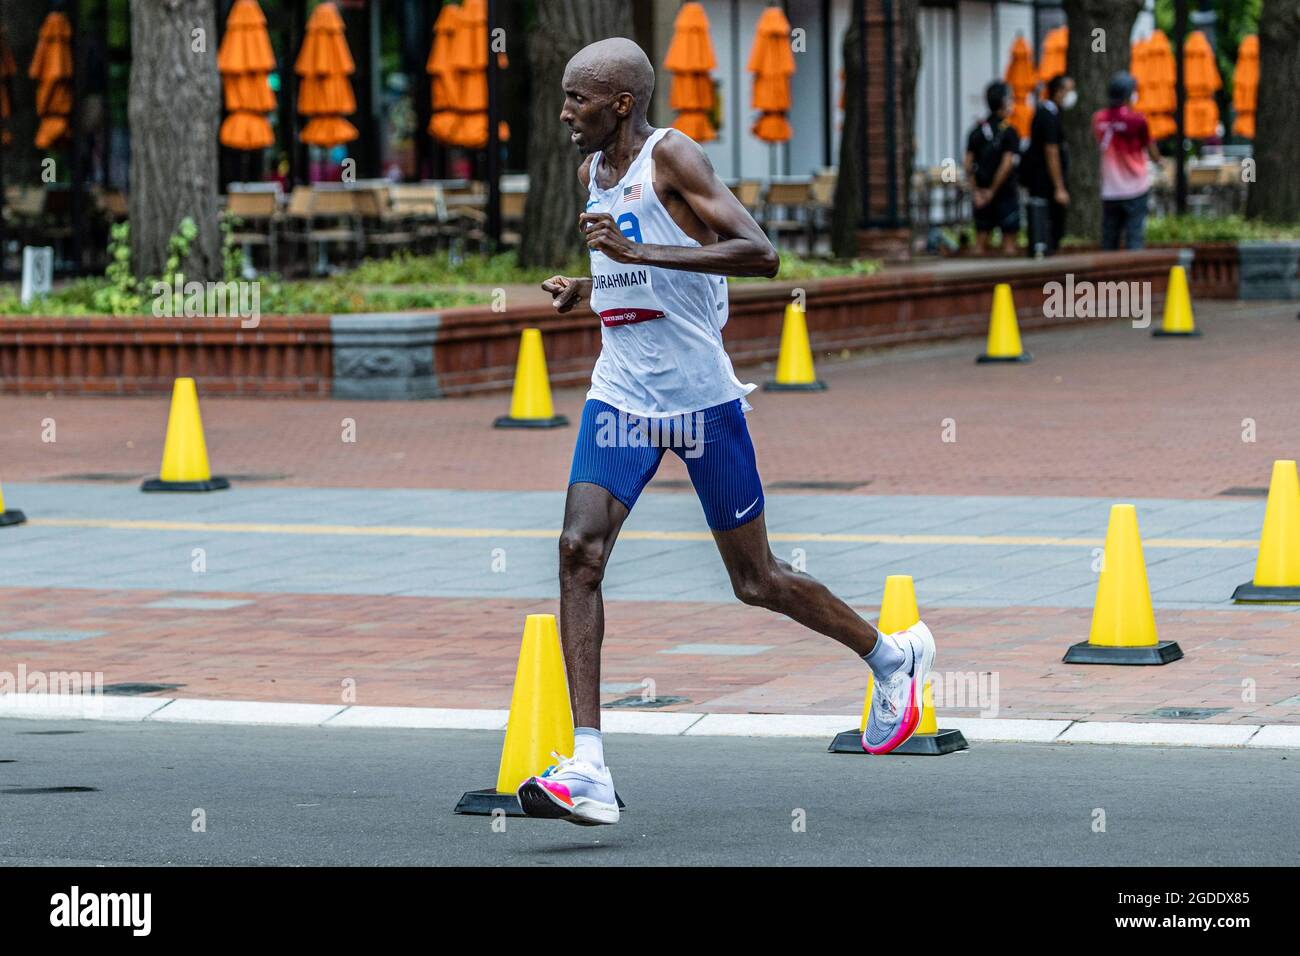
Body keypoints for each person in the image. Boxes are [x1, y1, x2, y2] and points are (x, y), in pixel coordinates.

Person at [521, 37, 937, 826]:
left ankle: (892, 657)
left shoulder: (671, 156)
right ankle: (590, 768)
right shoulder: (592, 173)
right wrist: (592, 281)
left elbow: (760, 255)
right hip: (623, 394)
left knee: (757, 581)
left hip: (702, 401)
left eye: (579, 98)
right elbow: (633, 269)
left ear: (622, 103)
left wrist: (635, 248)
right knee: (579, 553)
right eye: (565, 97)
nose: (565, 111)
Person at [1093, 71, 1160, 250]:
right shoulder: (1138, 120)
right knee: (1134, 236)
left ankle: (1107, 277)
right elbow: (1152, 151)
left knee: (1109, 239)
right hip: (1136, 188)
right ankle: (1135, 277)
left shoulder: (1099, 119)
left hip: (1110, 189)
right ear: (1129, 94)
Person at [964, 81, 1022, 255]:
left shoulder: (976, 131)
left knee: (980, 243)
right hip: (1004, 192)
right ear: (1004, 101)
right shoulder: (1009, 131)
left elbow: (968, 164)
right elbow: (1007, 164)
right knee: (1009, 245)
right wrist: (992, 190)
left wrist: (976, 191)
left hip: (981, 194)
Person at [1022, 73, 1075, 255]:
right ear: (1059, 92)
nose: (1072, 95)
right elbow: (1051, 151)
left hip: (1041, 178)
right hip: (1045, 180)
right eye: (1069, 90)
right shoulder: (1049, 116)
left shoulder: (1046, 113)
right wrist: (1059, 187)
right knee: (1050, 221)